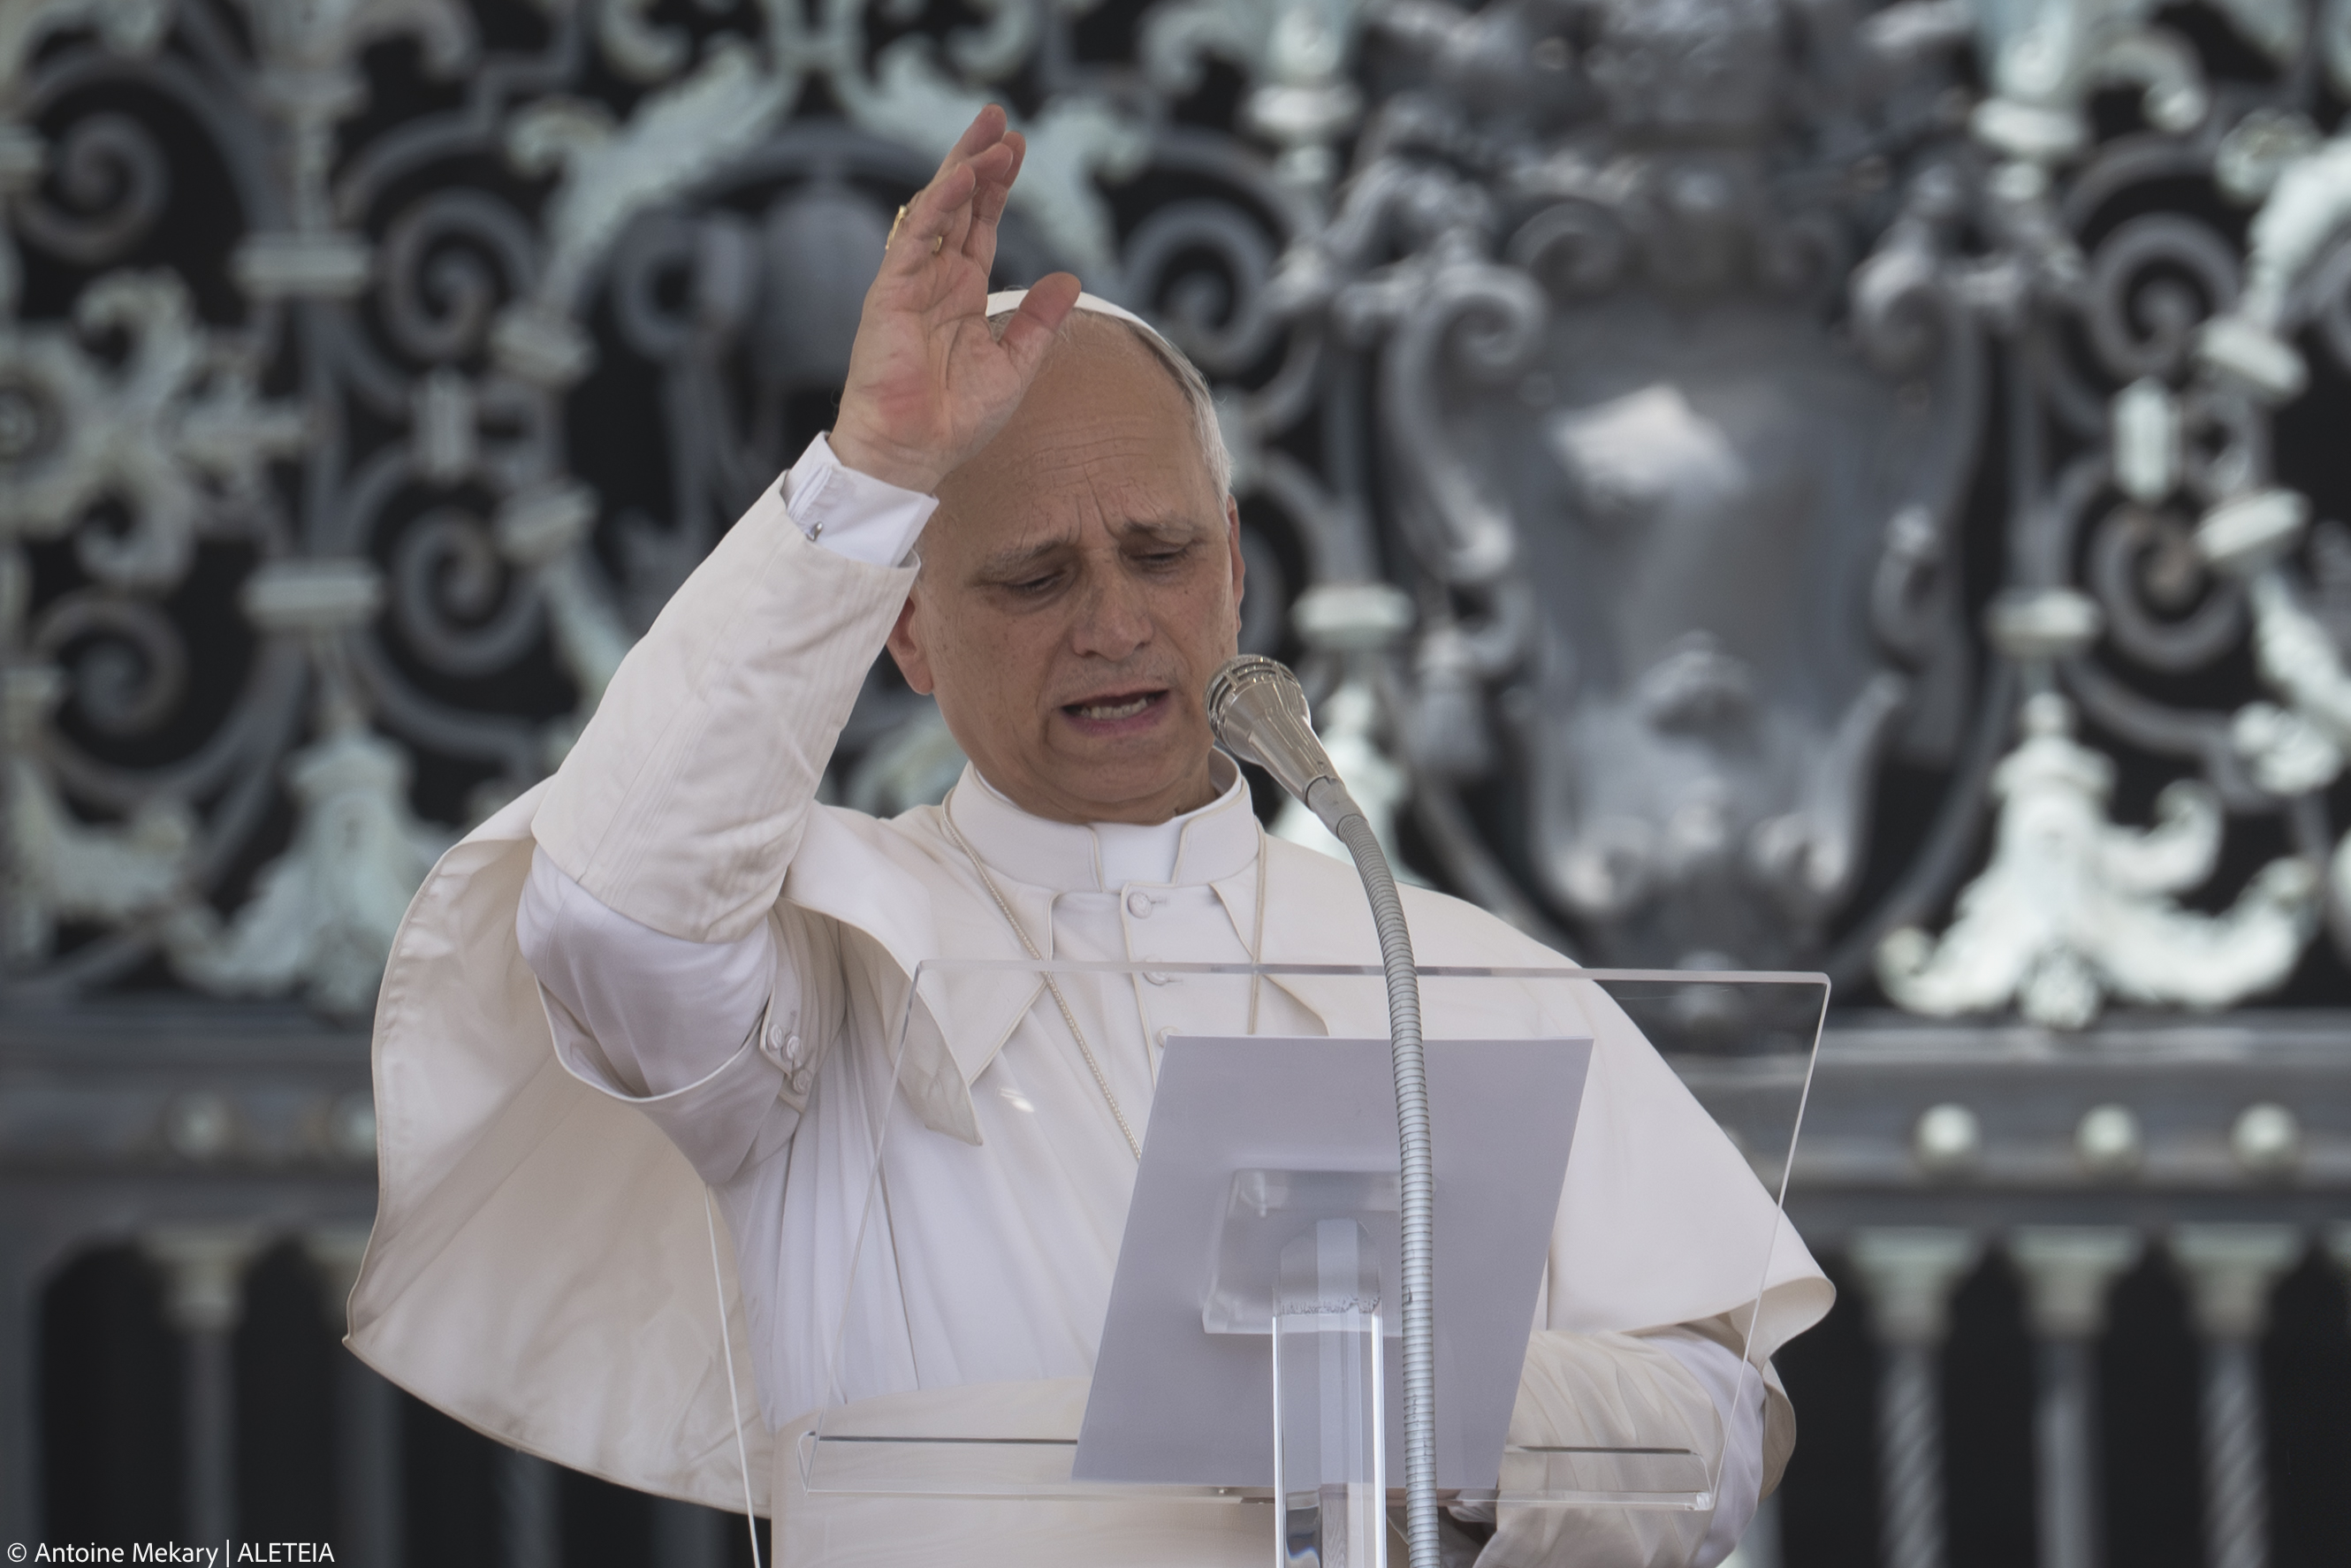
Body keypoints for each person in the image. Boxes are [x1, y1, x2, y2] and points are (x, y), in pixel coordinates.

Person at [347, 105, 1831, 1566]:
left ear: (1235, 573)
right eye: (1033, 578)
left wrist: (1452, 1411)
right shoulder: (821, 979)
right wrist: (870, 468)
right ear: (912, 630)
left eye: (1161, 554)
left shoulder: (1442, 966)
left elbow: (1708, 1418)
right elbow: (615, 912)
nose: (1115, 625)